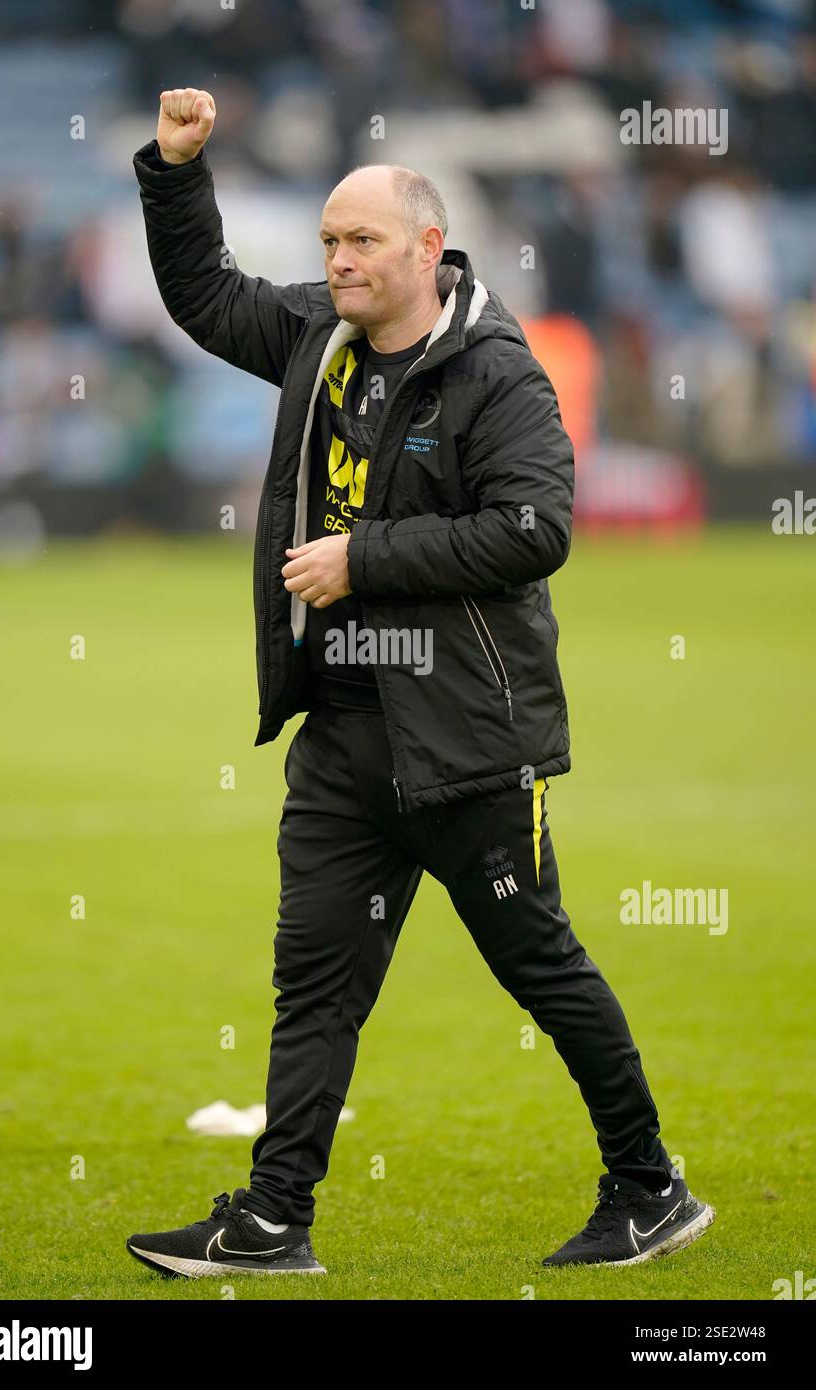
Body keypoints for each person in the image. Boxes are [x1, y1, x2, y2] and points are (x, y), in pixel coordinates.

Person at [125, 88, 714, 1279]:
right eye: (330, 242)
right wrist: (177, 172)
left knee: (539, 966)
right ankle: (274, 1217)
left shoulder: (501, 371)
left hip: (466, 736)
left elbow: (535, 529)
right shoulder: (316, 334)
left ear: (427, 251)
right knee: (314, 982)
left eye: (361, 243)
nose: (337, 260)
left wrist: (363, 559)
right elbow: (202, 296)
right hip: (343, 729)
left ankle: (648, 1185)